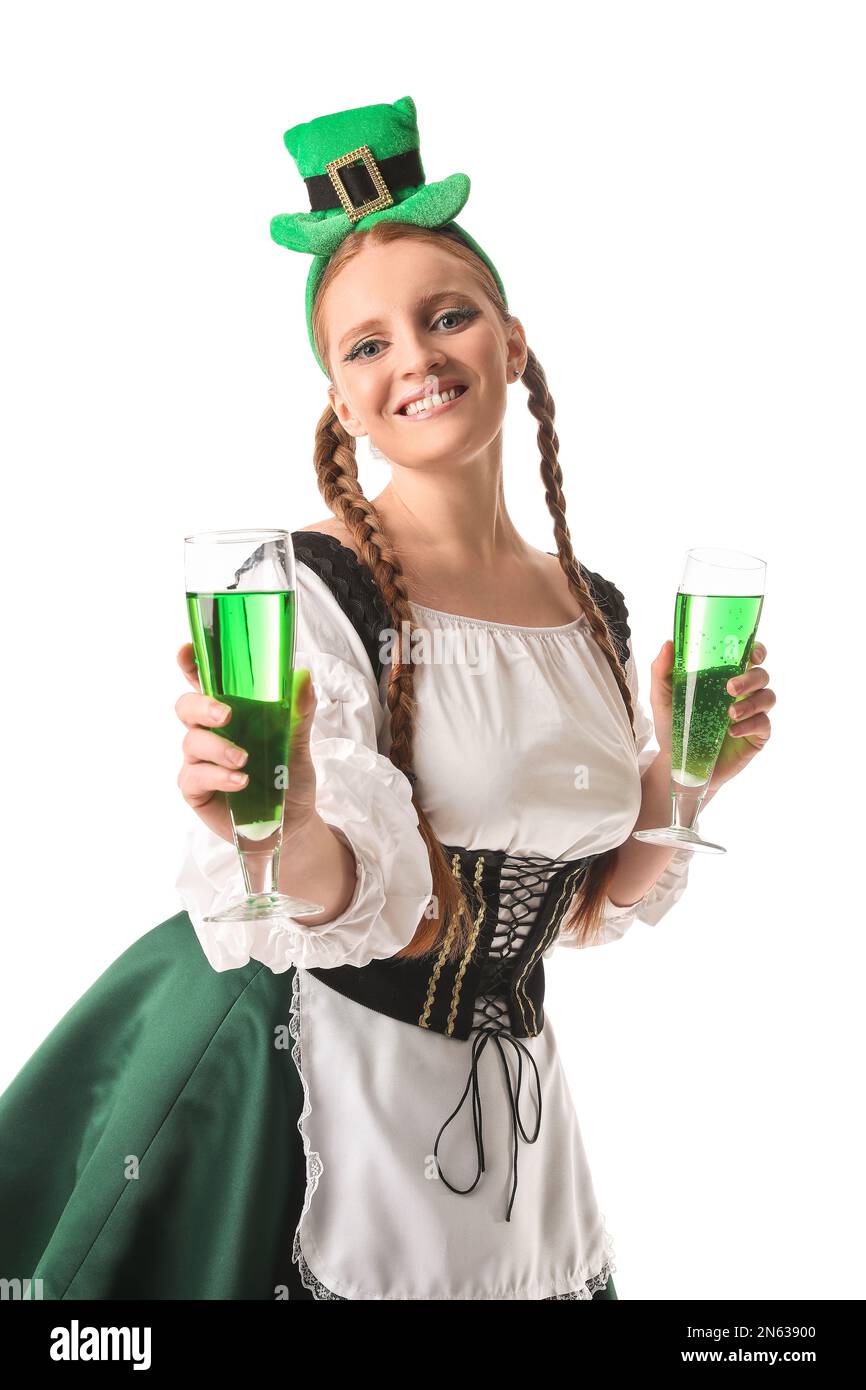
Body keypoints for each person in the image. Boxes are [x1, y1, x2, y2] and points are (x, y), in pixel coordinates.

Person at [0, 95, 774, 1302]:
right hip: (339, 1097)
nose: (412, 357)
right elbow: (340, 906)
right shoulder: (318, 591)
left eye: (445, 316)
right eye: (365, 345)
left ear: (510, 345)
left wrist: (687, 774)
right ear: (343, 400)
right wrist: (289, 820)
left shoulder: (595, 611)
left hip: (518, 1135)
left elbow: (583, 910)